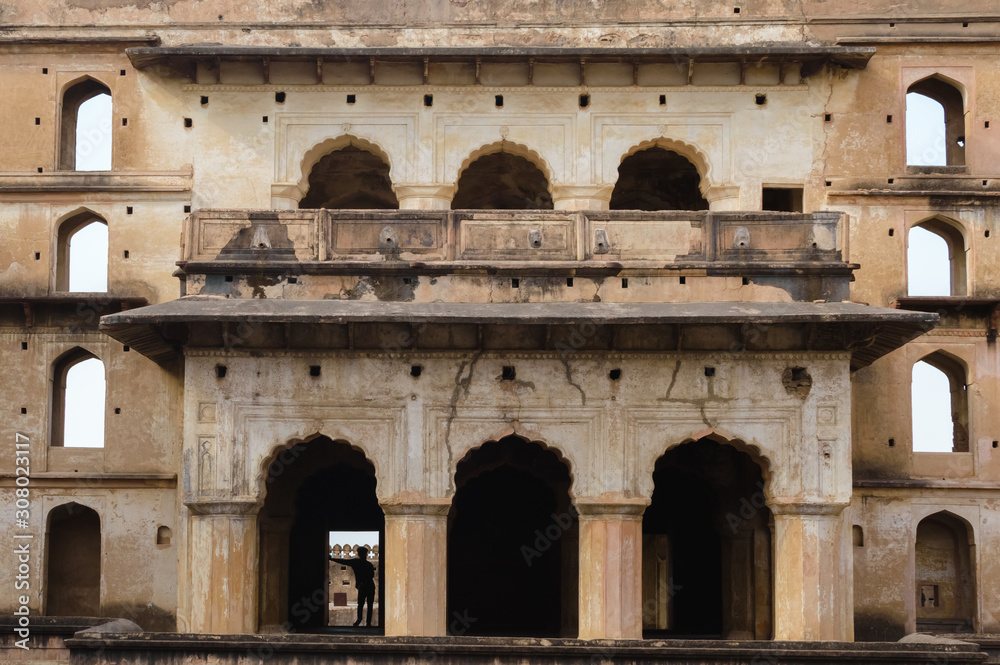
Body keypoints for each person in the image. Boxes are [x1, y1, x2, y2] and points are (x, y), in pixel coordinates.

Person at [330, 546, 375, 627]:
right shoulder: (369, 564)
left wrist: (332, 559)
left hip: (363, 586)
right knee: (369, 605)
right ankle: (367, 622)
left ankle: (359, 619)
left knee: (361, 604)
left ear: (358, 554)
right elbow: (372, 575)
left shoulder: (356, 562)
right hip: (370, 586)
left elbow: (344, 561)